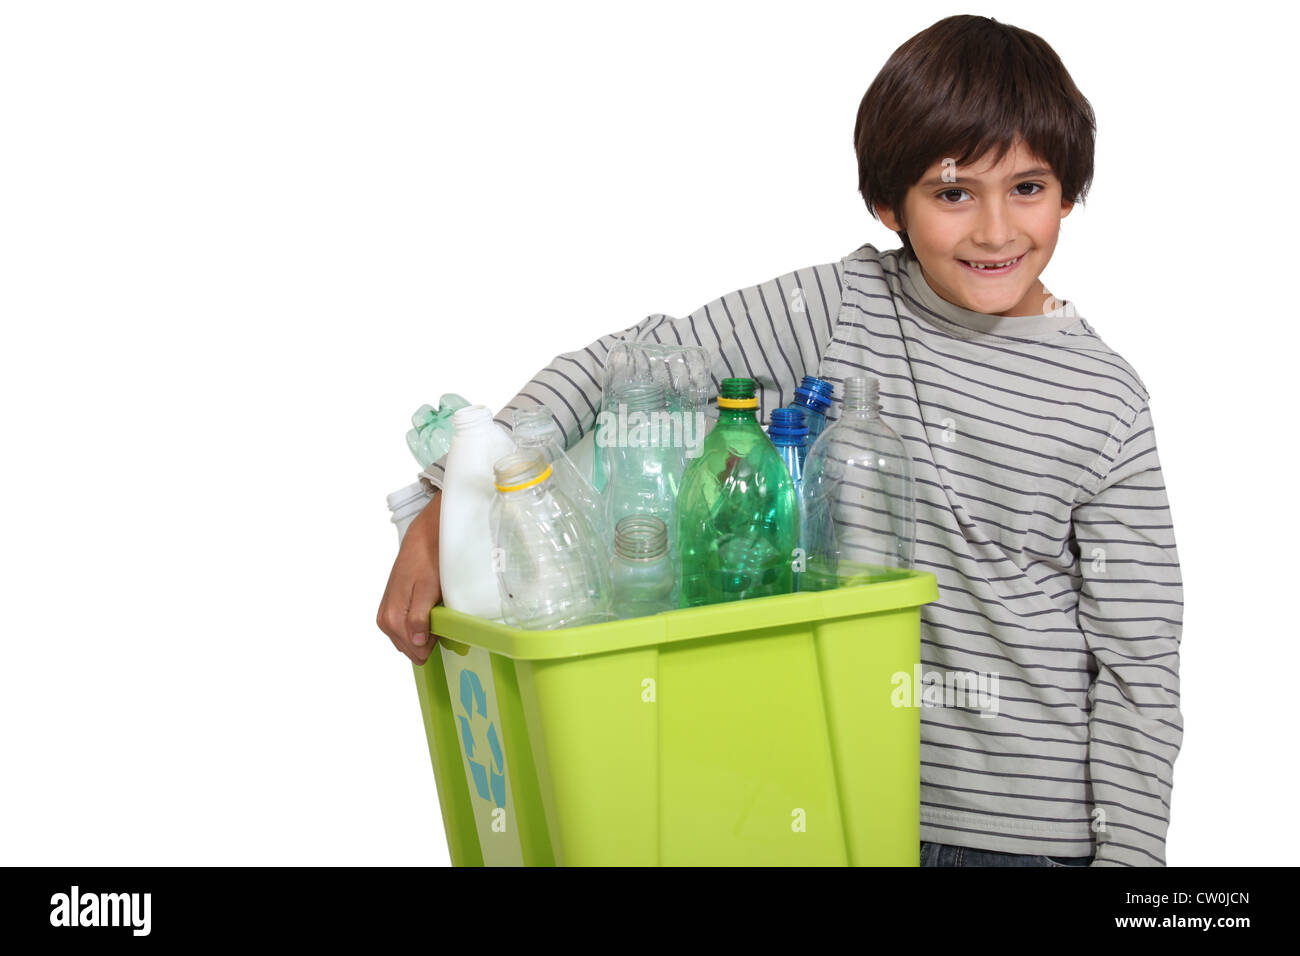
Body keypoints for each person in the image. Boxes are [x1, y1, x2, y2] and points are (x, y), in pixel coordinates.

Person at [377, 14, 1182, 867]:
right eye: (953, 193)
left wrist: (1131, 870)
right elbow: (627, 360)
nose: (994, 230)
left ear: (1069, 191)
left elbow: (1140, 666)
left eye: (1028, 188)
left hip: (1028, 836)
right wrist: (452, 495)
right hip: (826, 790)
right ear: (889, 204)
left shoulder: (1107, 399)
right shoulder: (845, 309)